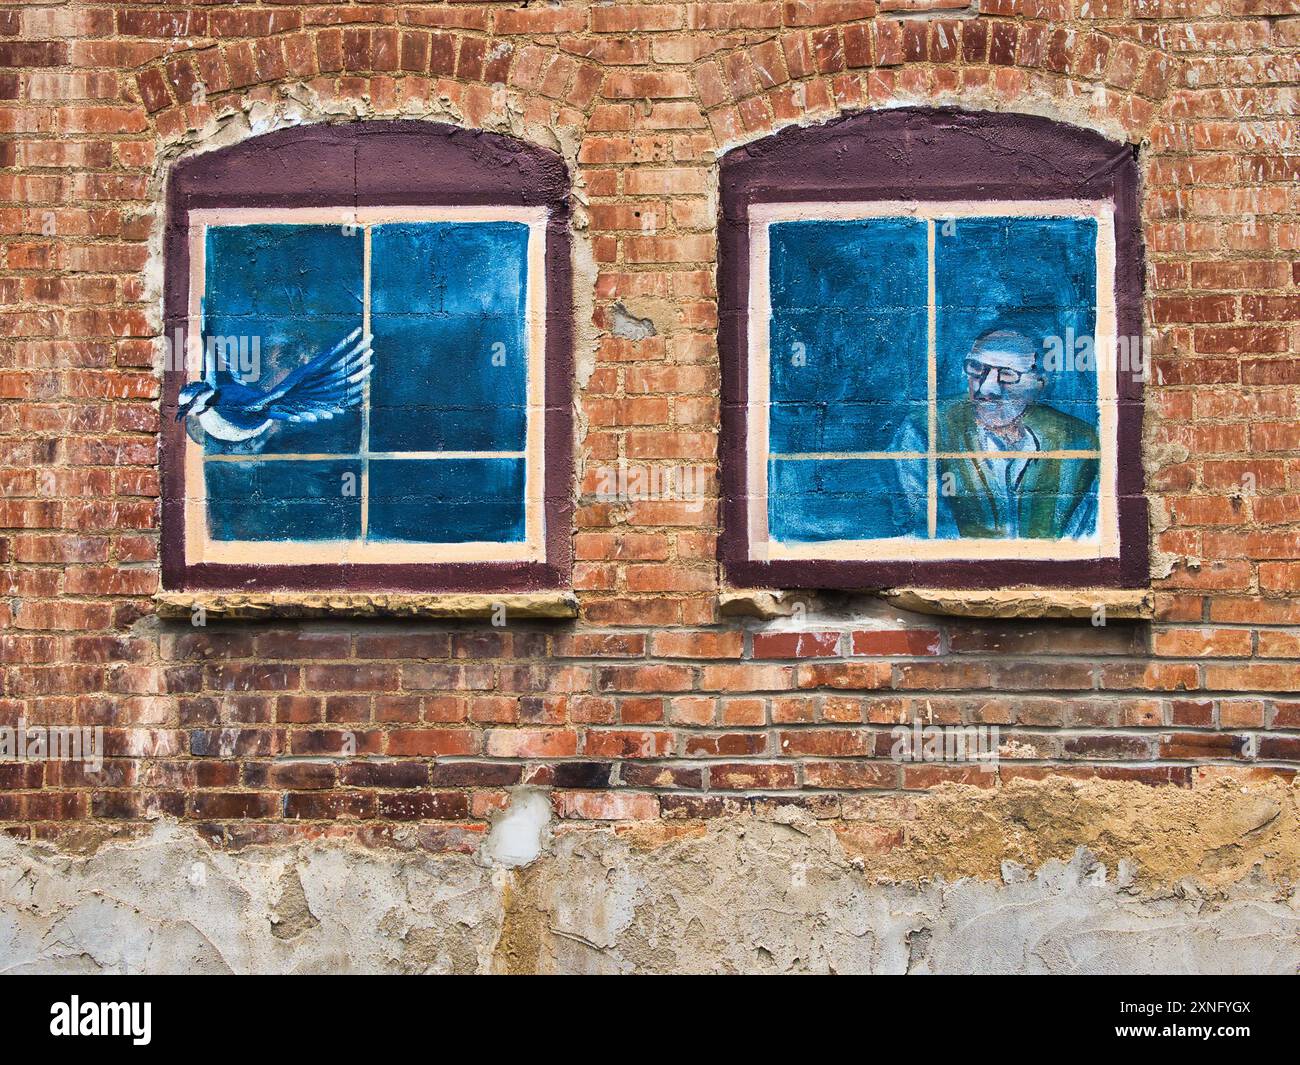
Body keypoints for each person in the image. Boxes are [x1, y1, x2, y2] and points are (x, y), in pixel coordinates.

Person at [893, 329, 1099, 539]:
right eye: (976, 368)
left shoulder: (1078, 441)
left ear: (1039, 384)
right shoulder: (924, 430)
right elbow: (928, 531)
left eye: (1007, 374)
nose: (987, 388)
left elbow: (1085, 533)